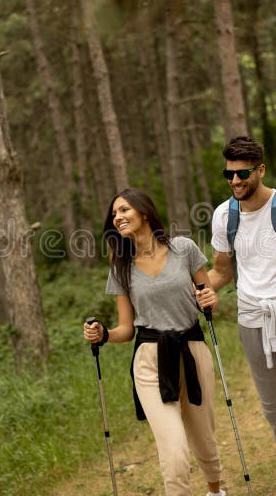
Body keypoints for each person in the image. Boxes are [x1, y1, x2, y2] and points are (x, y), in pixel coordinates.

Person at [83, 187, 226, 496]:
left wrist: (209, 299)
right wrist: (104, 334)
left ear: (144, 212)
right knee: (174, 451)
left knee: (204, 438)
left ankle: (215, 491)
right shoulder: (121, 268)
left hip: (193, 351)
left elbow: (207, 299)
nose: (117, 217)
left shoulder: (184, 249)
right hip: (150, 361)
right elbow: (125, 329)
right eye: (114, 214)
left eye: (124, 210)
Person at [203, 136, 276, 496]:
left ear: (260, 170)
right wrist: (200, 288)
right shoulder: (224, 215)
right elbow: (221, 271)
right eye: (229, 174)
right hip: (251, 323)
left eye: (243, 174)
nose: (235, 181)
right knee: (273, 411)